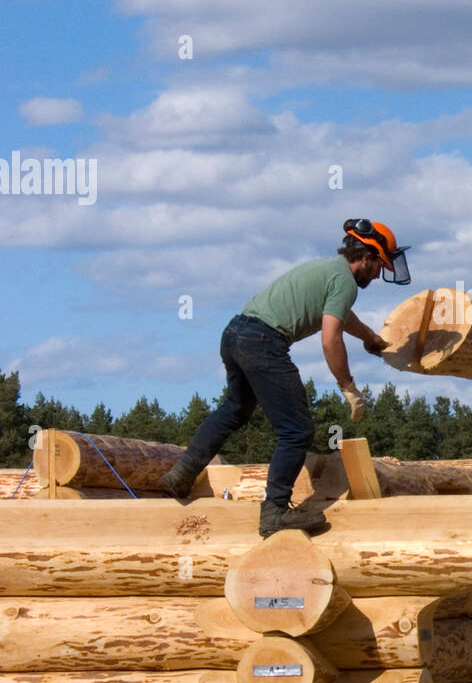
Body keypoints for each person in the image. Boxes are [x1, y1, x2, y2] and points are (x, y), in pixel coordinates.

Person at [161, 219, 411, 537]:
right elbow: (330, 338)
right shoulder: (345, 281)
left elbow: (341, 315)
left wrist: (369, 337)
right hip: (264, 342)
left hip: (236, 332)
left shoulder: (330, 270)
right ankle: (274, 512)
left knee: (235, 409)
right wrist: (347, 385)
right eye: (379, 267)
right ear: (366, 257)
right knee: (296, 430)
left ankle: (182, 474)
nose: (377, 275)